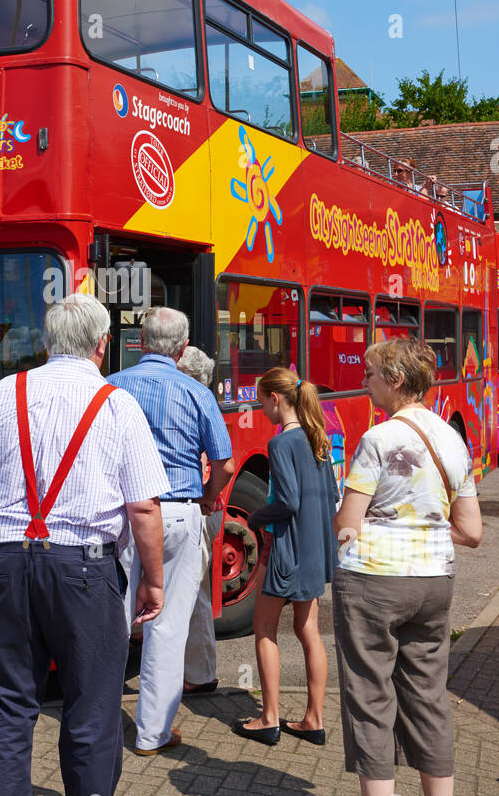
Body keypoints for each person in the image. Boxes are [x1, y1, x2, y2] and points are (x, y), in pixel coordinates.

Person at [0, 293, 170, 796]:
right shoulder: (116, 405)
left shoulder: (5, 393)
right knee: (92, 703)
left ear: (47, 342)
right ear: (102, 344)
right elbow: (144, 508)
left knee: (5, 701)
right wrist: (154, 579)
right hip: (84, 570)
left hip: (5, 563)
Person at [332, 338, 482, 796]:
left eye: (370, 373)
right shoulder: (452, 439)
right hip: (434, 585)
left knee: (372, 705)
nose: (365, 381)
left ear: (394, 380)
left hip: (373, 582)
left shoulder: (377, 438)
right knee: (428, 699)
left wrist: (368, 519)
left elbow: (347, 523)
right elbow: (471, 532)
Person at [107, 308, 235, 755]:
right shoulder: (196, 392)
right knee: (166, 625)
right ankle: (151, 734)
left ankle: (98, 724)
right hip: (180, 514)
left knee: (113, 622)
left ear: (140, 341)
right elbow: (225, 464)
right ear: (182, 349)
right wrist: (206, 498)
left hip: (122, 516)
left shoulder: (113, 386)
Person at [234, 368, 338, 746]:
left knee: (264, 630)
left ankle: (269, 718)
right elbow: (332, 499)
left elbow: (288, 501)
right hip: (314, 549)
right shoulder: (318, 439)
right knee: (308, 631)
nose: (261, 410)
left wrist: (258, 516)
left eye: (262, 402)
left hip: (287, 549)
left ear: (275, 399)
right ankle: (314, 718)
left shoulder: (280, 444)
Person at [177, 344, 223, 694]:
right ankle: (197, 669)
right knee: (195, 591)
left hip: (200, 508)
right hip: (207, 507)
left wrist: (207, 497)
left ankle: (200, 673)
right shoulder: (205, 403)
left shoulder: (193, 402)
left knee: (194, 595)